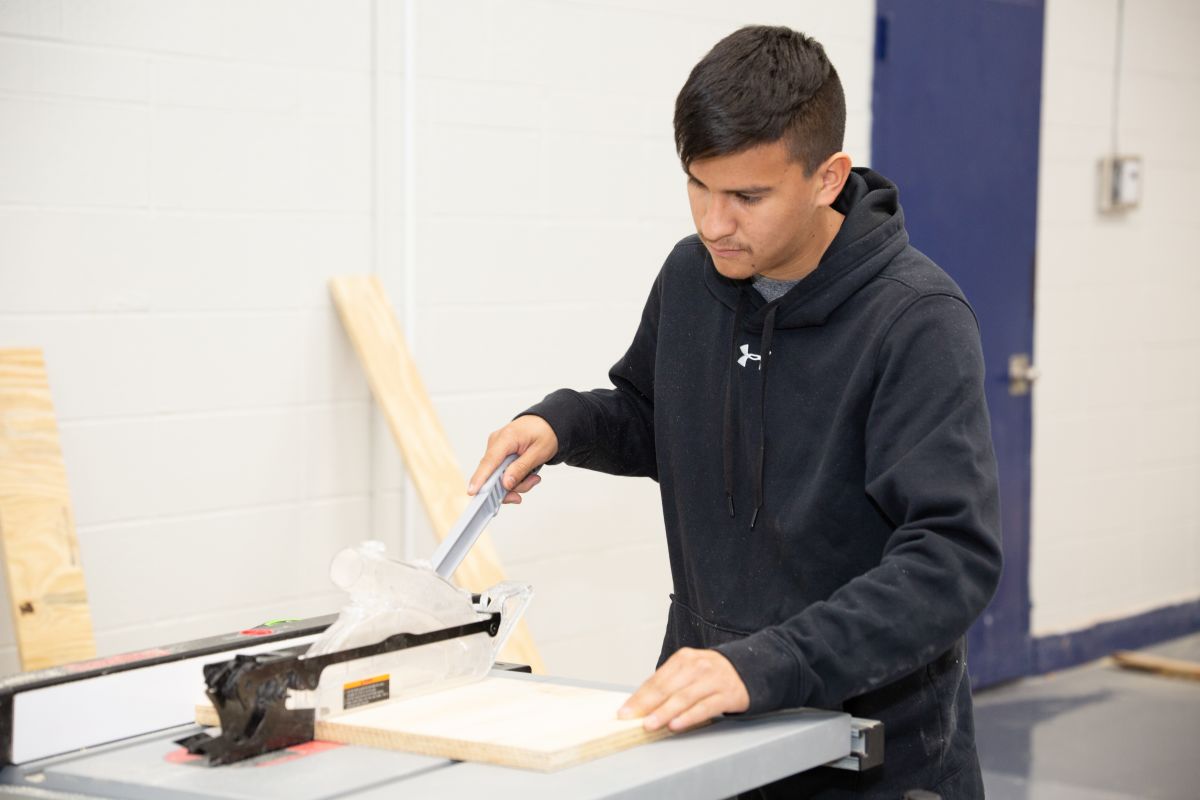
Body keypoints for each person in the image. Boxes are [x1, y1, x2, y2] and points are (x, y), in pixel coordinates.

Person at [468, 25, 1002, 798]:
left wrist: (765, 663)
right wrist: (563, 426)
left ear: (827, 178)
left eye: (747, 197)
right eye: (698, 185)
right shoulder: (693, 278)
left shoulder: (917, 318)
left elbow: (951, 561)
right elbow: (659, 416)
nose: (713, 223)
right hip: (709, 721)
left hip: (874, 751)